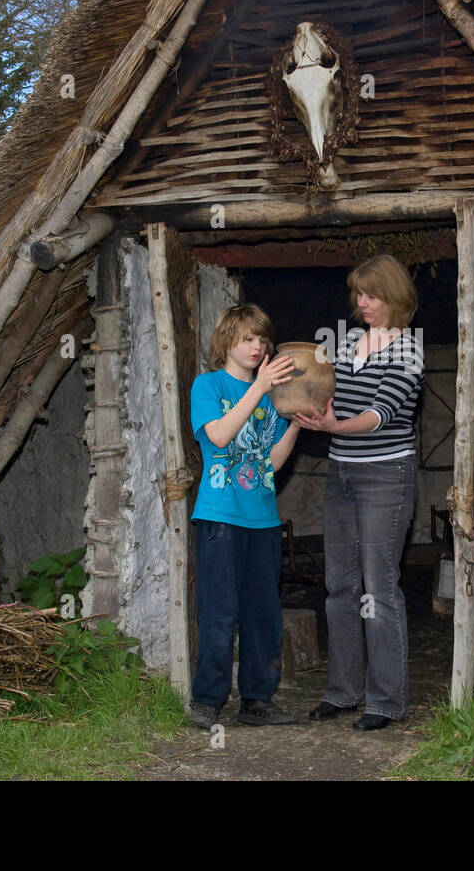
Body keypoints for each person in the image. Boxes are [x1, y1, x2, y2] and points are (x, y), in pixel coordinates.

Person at [293, 255, 424, 731]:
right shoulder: (348, 341)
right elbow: (329, 392)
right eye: (359, 294)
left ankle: (385, 700)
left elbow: (381, 414)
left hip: (386, 475)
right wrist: (305, 403)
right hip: (342, 473)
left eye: (371, 294)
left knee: (379, 588)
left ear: (394, 295)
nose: (362, 303)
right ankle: (343, 692)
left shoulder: (408, 350)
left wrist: (335, 426)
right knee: (339, 587)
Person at [186, 303, 301, 729]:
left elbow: (269, 462)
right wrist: (260, 389)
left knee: (262, 615)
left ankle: (257, 701)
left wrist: (295, 426)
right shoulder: (208, 385)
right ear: (227, 341)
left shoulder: (270, 398)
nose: (257, 346)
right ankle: (206, 701)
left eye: (262, 339)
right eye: (248, 338)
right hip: (220, 517)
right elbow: (217, 435)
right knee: (219, 612)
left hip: (264, 521)